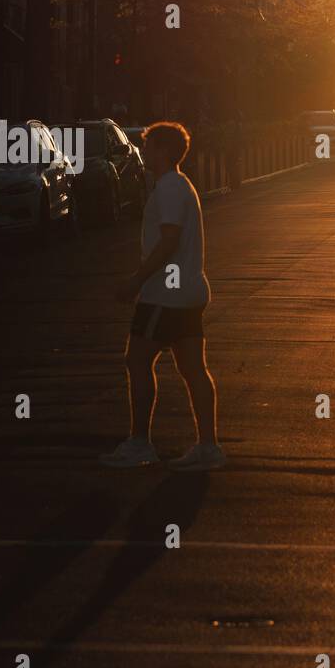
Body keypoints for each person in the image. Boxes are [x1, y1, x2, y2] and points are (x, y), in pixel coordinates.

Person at [101, 121, 225, 470]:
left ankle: (140, 443)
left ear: (165, 151)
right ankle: (208, 446)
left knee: (137, 360)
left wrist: (136, 281)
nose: (144, 151)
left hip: (165, 295)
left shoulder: (170, 187)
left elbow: (168, 241)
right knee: (192, 368)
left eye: (149, 146)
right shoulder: (180, 186)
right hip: (188, 290)